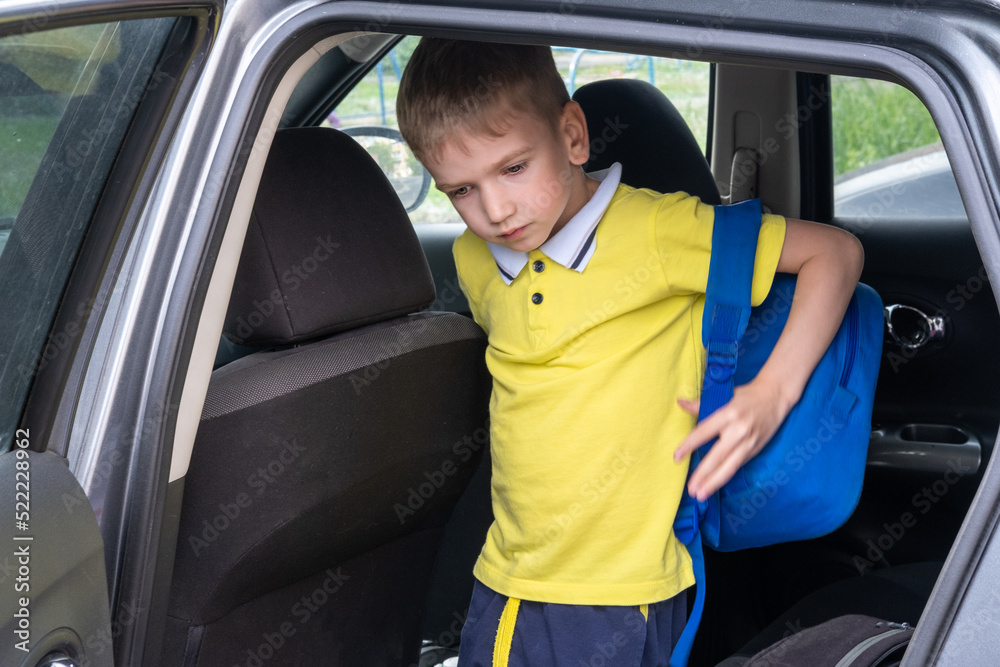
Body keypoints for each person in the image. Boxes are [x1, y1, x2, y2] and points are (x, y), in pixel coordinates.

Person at [396, 38, 864, 666]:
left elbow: (835, 254)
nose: (495, 210)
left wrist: (772, 393)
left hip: (625, 592)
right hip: (508, 579)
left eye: (513, 168)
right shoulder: (474, 258)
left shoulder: (658, 231)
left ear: (572, 137)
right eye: (460, 191)